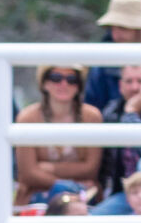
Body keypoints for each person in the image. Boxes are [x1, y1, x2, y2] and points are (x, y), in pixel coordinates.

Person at [14, 64, 102, 205]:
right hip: (37, 197)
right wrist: (62, 184)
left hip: (84, 195)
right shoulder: (27, 118)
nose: (63, 84)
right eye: (55, 78)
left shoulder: (91, 116)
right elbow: (28, 173)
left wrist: (49, 168)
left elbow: (91, 169)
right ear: (44, 83)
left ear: (79, 85)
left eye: (71, 79)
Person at [94, 64, 141, 212]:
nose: (134, 87)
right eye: (129, 81)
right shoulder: (112, 113)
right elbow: (105, 164)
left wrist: (131, 113)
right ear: (120, 86)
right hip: (128, 194)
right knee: (94, 220)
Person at [84, 0, 141, 113]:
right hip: (111, 129)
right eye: (112, 28)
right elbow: (93, 107)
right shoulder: (102, 61)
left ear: (140, 28)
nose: (116, 35)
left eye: (123, 27)